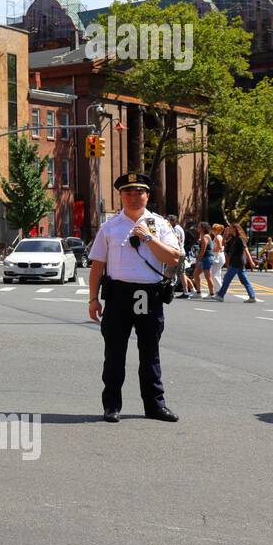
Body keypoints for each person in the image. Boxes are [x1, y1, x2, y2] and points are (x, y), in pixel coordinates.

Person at [87, 173, 183, 423]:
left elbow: (173, 258)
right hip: (119, 294)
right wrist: (93, 299)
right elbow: (97, 266)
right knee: (115, 353)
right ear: (120, 195)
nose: (133, 197)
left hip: (150, 295)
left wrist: (148, 238)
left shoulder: (160, 225)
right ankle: (111, 406)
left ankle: (155, 406)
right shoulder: (110, 227)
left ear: (147, 196)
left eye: (139, 192)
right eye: (128, 192)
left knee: (150, 353)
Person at [215, 223, 258, 303]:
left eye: (230, 228)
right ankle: (252, 296)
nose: (229, 229)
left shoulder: (239, 238)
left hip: (237, 262)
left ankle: (220, 295)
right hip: (236, 262)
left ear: (235, 229)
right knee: (244, 280)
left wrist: (251, 261)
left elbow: (246, 249)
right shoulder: (233, 238)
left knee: (227, 278)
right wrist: (225, 234)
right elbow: (223, 243)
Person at [167, 215, 191, 299]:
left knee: (169, 272)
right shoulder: (179, 228)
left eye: (168, 221)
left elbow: (177, 240)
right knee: (181, 273)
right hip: (181, 252)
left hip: (177, 253)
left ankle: (170, 291)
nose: (167, 222)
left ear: (173, 221)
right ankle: (185, 291)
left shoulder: (176, 229)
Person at [194, 222, 215, 297]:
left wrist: (198, 260)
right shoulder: (204, 236)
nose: (197, 228)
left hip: (207, 258)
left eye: (199, 227)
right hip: (205, 258)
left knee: (208, 276)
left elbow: (203, 249)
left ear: (202, 228)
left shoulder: (205, 237)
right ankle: (198, 292)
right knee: (196, 274)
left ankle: (212, 294)